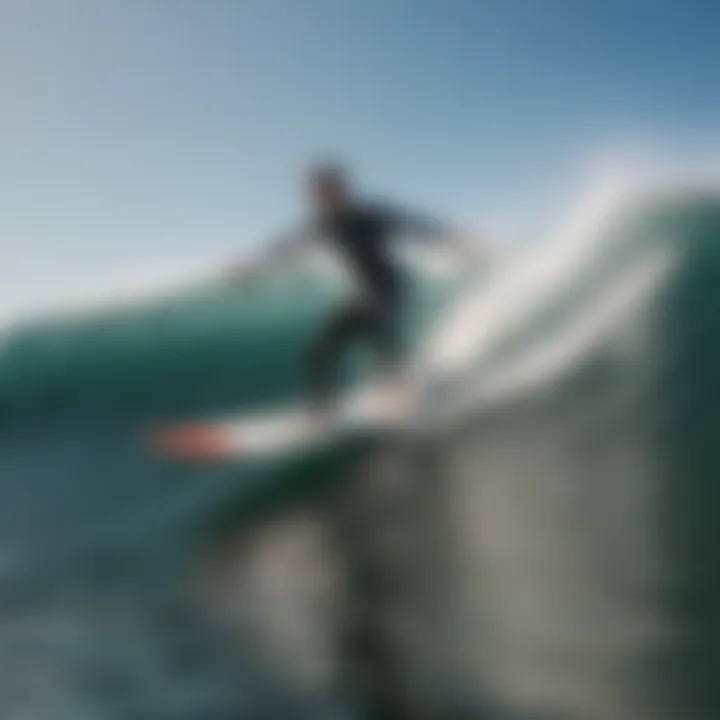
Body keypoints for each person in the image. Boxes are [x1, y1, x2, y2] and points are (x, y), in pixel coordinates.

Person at [233, 162, 478, 413]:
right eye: (315, 195)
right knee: (321, 349)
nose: (319, 200)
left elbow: (413, 223)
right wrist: (254, 269)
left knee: (377, 330)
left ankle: (403, 392)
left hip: (389, 285)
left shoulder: (367, 216)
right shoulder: (322, 224)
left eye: (325, 192)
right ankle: (325, 407)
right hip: (363, 293)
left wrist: (451, 238)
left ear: (340, 190)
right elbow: (287, 247)